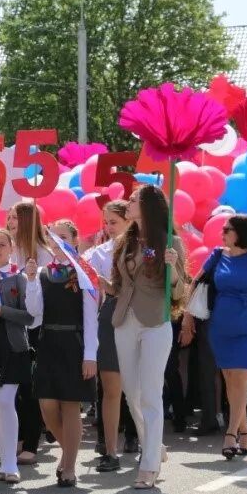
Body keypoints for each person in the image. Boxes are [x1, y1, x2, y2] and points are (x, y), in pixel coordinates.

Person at [110, 185, 187, 490]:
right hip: (124, 320)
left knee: (151, 394)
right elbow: (120, 284)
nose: (127, 203)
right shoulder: (125, 242)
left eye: (133, 200)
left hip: (156, 322)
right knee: (132, 393)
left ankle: (149, 463)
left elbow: (179, 292)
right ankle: (154, 445)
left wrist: (174, 270)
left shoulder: (171, 242)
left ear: (148, 207)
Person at [186, 215, 247, 459]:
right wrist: (187, 316)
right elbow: (195, 282)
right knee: (230, 379)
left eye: (227, 229)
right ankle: (246, 431)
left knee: (241, 378)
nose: (222, 233)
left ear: (241, 232)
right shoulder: (218, 254)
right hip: (222, 325)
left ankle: (231, 433)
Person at [35, 220, 98, 486]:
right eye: (53, 236)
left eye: (63, 236)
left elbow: (91, 316)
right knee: (47, 406)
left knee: (70, 405)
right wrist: (28, 281)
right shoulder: (42, 272)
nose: (57, 241)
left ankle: (70, 466)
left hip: (74, 343)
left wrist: (90, 355)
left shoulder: (85, 272)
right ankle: (68, 451)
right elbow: (35, 313)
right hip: (48, 341)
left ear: (74, 239)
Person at [0, 228, 40, 483]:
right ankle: (3, 460)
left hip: (12, 344)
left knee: (6, 401)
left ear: (11, 247)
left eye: (2, 244)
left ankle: (11, 462)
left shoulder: (19, 277)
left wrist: (1, 311)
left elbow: (29, 317)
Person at [85, 199, 138, 471]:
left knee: (138, 389)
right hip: (109, 319)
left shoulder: (144, 248)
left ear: (129, 220)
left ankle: (146, 442)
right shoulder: (98, 253)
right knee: (110, 388)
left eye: (113, 222)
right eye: (105, 222)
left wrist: (111, 286)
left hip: (138, 319)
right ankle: (110, 450)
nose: (108, 227)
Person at [9, 201, 55, 462]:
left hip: (35, 328)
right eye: (9, 217)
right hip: (11, 325)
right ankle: (17, 437)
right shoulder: (7, 249)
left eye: (15, 217)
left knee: (29, 388)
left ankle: (30, 442)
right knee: (12, 387)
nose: (10, 222)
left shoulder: (43, 254)